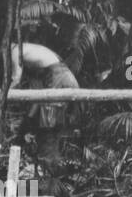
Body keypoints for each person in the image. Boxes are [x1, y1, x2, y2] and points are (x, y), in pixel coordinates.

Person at [9, 42, 79, 172]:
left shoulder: (15, 51)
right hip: (67, 79)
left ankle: (53, 177)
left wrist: (2, 99)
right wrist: (26, 124)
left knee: (48, 131)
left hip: (58, 79)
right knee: (49, 133)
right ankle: (52, 173)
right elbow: (38, 97)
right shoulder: (34, 60)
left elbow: (16, 80)